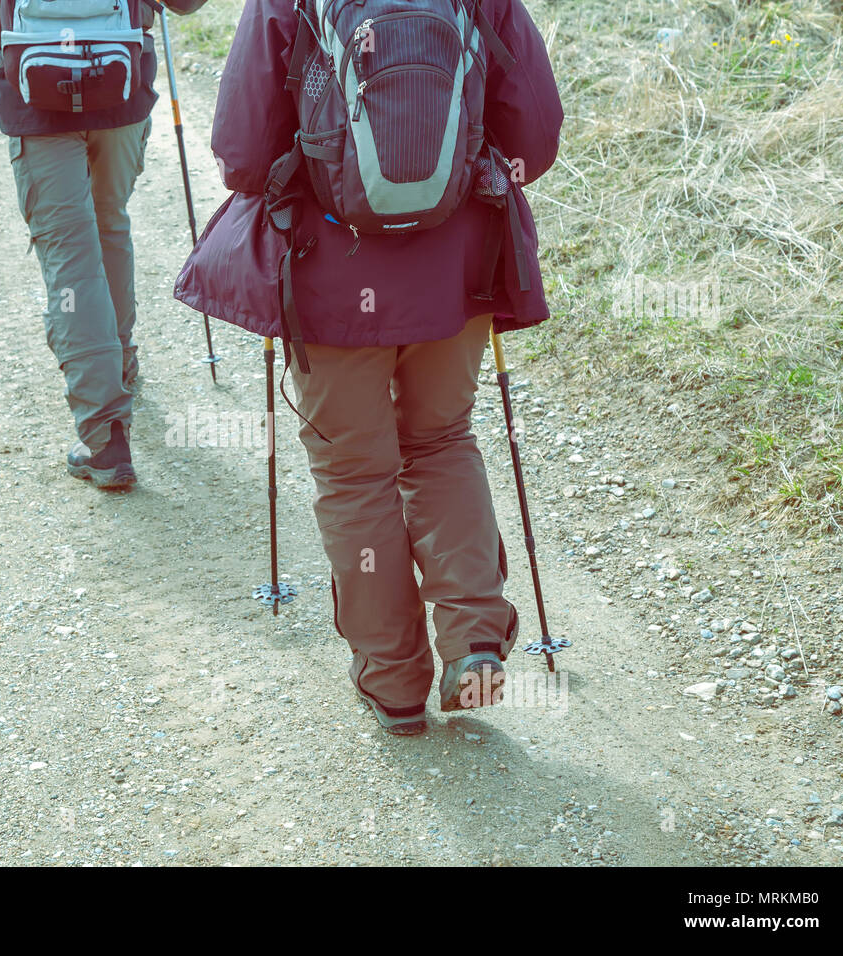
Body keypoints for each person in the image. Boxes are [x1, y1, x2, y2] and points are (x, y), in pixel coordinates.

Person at [175, 0, 563, 733]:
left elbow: (244, 156)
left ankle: (392, 681)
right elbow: (534, 140)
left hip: (329, 278)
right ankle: (474, 641)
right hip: (459, 271)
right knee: (442, 442)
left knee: (356, 473)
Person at [0, 0, 207, 489]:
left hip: (36, 91)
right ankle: (118, 360)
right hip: (119, 84)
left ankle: (105, 435)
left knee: (72, 255)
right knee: (108, 224)